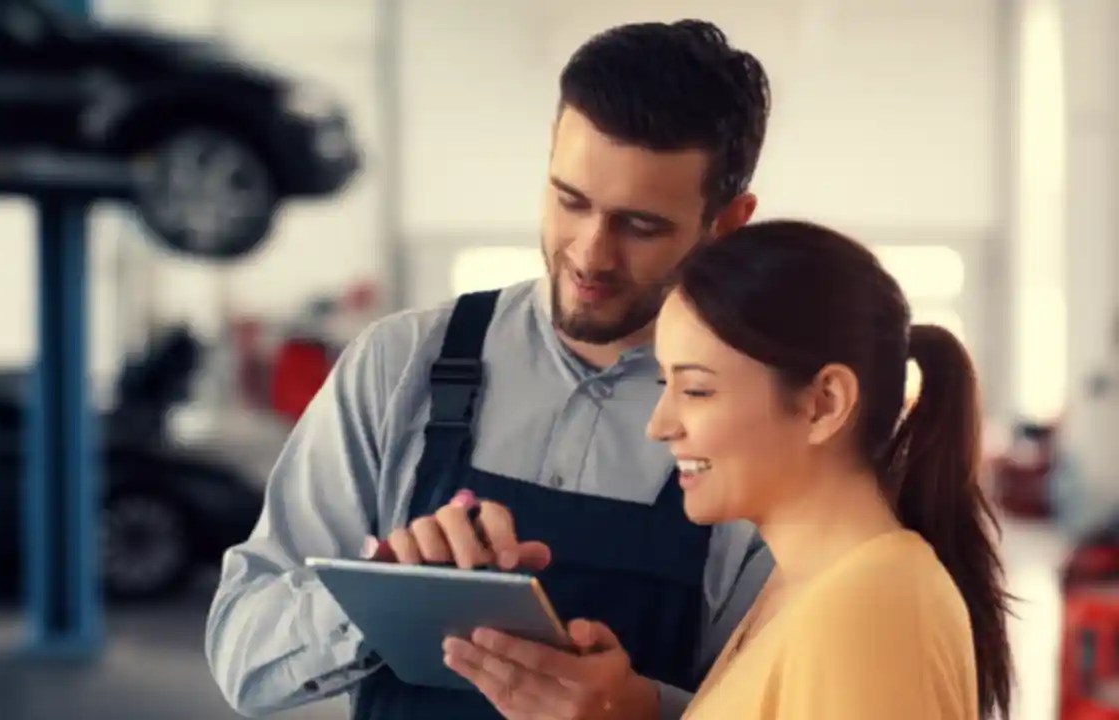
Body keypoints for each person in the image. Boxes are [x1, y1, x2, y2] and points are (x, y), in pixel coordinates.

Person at [205, 18, 773, 720]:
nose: (591, 254)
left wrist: (642, 711)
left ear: (728, 223)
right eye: (570, 201)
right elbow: (243, 662)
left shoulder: (760, 432)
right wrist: (376, 591)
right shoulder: (398, 366)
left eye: (640, 226)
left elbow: (784, 701)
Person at [639, 219, 1013, 719]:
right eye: (663, 384)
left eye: (696, 390)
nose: (659, 426)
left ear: (824, 404)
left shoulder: (867, 609)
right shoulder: (807, 584)